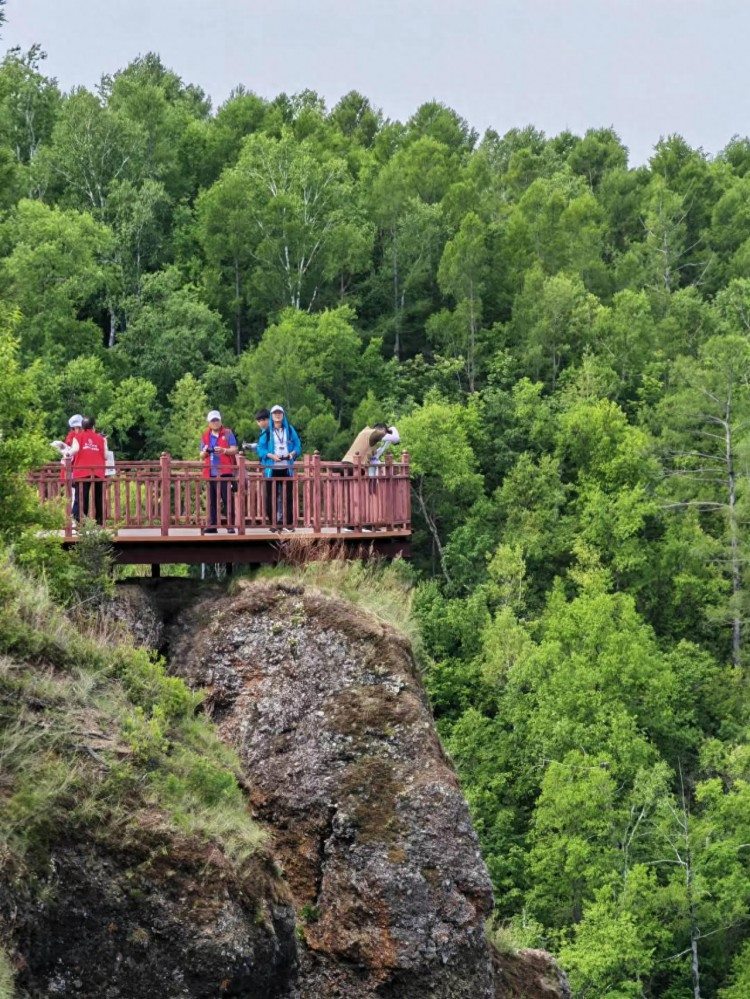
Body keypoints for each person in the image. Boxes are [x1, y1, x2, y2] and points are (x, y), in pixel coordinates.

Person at [256, 404, 301, 531]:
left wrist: (292, 453)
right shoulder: (268, 431)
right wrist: (270, 455)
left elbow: (298, 446)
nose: (277, 415)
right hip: (272, 468)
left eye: (279, 413)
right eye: (275, 413)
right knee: (270, 496)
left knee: (288, 496)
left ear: (283, 415)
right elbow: (260, 448)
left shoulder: (290, 430)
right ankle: (273, 524)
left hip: (287, 468)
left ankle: (288, 523)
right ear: (271, 416)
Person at [200, 410, 238, 533]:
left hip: (225, 471)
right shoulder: (205, 435)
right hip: (210, 471)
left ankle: (230, 525)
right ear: (209, 423)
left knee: (227, 499)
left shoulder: (227, 433)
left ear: (220, 421)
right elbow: (201, 454)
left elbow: (235, 449)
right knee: (211, 500)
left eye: (217, 420)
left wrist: (223, 450)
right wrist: (206, 452)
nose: (215, 422)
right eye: (213, 420)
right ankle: (212, 526)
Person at [69, 416, 107, 526]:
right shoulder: (101, 439)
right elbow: (105, 456)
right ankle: (100, 523)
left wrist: (66, 454)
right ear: (93, 426)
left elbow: (75, 450)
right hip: (98, 471)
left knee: (81, 497)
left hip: (82, 471)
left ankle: (80, 523)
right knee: (98, 497)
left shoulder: (78, 437)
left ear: (82, 426)